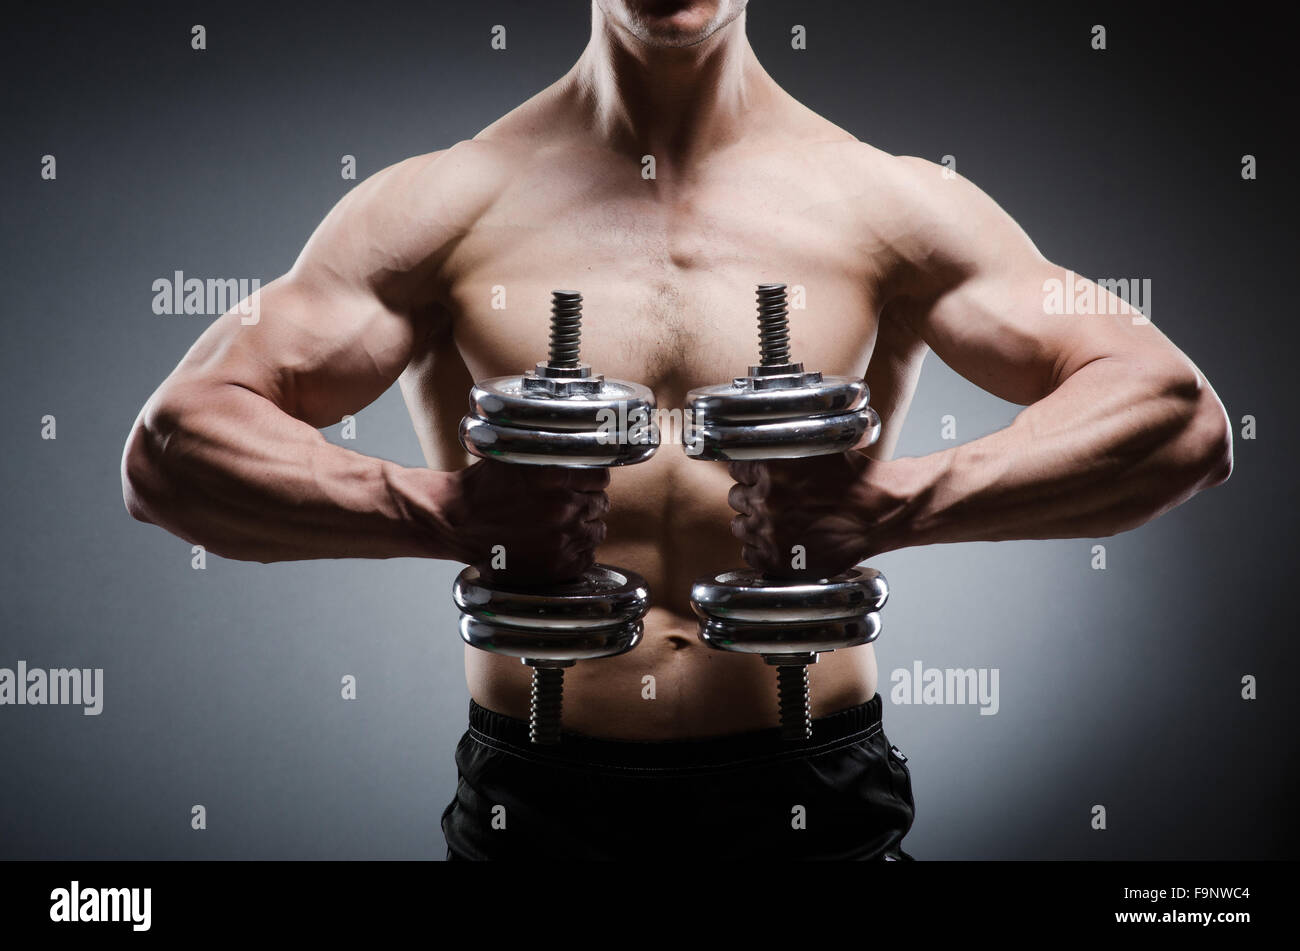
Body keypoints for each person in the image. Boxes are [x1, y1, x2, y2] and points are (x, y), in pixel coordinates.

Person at [121, 0, 1232, 860]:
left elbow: (1173, 416)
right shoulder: (440, 207)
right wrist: (448, 512)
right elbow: (175, 451)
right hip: (540, 791)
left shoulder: (888, 203)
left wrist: (893, 507)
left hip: (811, 780)